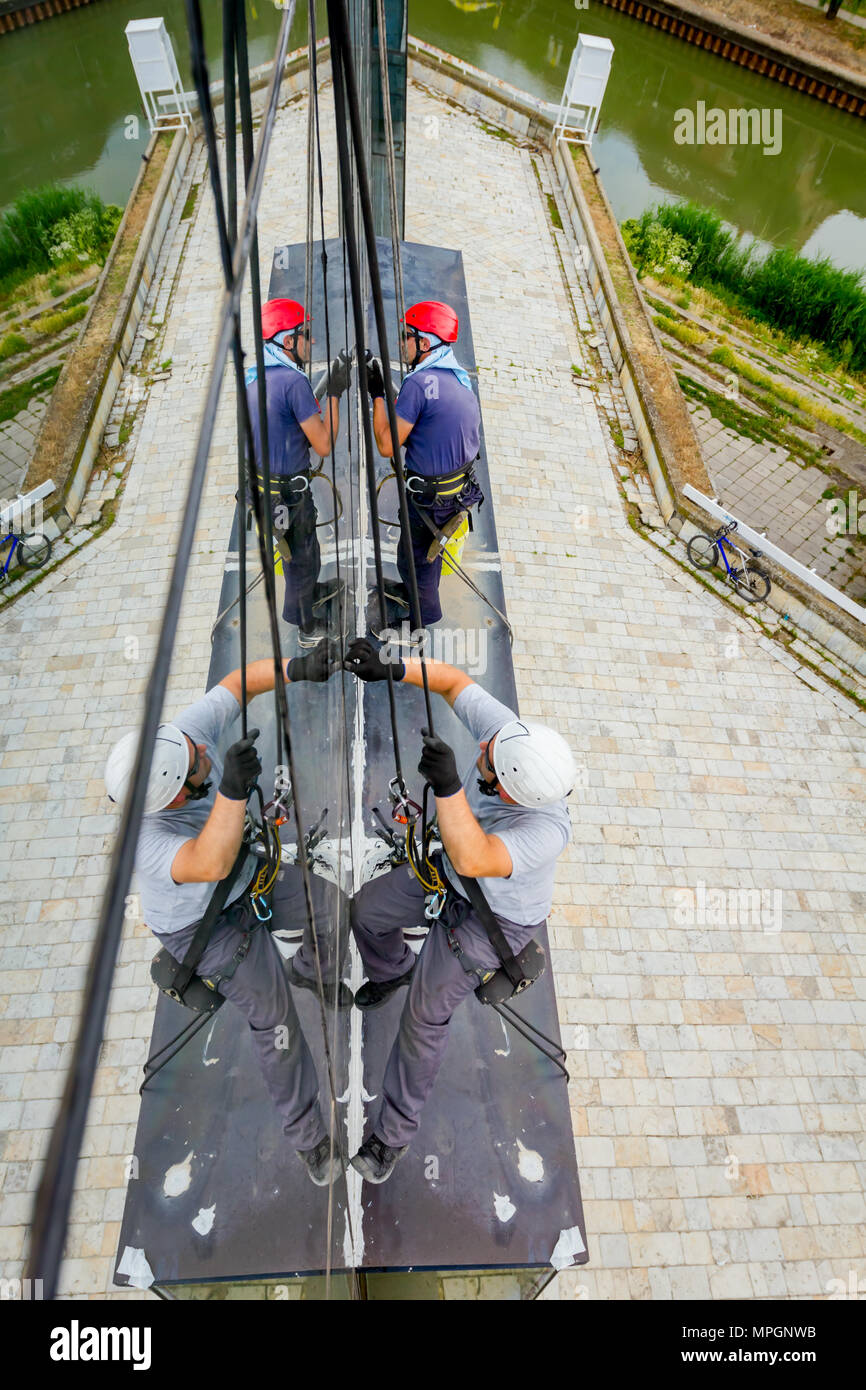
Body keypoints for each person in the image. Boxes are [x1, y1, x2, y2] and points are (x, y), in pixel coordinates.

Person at [104, 640, 348, 1186]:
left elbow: (234, 687)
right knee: (275, 1021)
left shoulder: (174, 744)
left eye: (197, 748)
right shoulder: (149, 840)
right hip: (205, 928)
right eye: (200, 765)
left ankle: (311, 965)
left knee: (329, 906)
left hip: (243, 871)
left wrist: (297, 669)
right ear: (172, 796)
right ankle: (310, 1138)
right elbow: (208, 863)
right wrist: (232, 792)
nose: (205, 754)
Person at [342, 638, 576, 1183]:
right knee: (365, 912)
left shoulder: (545, 829)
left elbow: (477, 856)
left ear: (514, 793)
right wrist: (392, 668)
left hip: (491, 923)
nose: (481, 755)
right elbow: (450, 680)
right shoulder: (513, 742)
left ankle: (391, 1137)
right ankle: (392, 968)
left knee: (424, 1017)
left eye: (485, 767)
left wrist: (449, 790)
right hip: (451, 874)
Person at [367, 300, 482, 627]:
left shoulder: (419, 384)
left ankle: (422, 616)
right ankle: (416, 596)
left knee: (415, 561)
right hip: (457, 492)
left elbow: (387, 444)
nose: (401, 343)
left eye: (406, 336)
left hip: (430, 501)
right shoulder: (459, 379)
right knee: (425, 555)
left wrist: (377, 394)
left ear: (425, 343)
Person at [246, 298, 351, 647]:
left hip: (261, 488)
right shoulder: (293, 383)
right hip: (289, 491)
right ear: (287, 341)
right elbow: (322, 444)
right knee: (304, 556)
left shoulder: (253, 376)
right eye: (306, 334)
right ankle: (306, 627)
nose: (312, 342)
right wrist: (335, 394)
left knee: (290, 549)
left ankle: (304, 598)